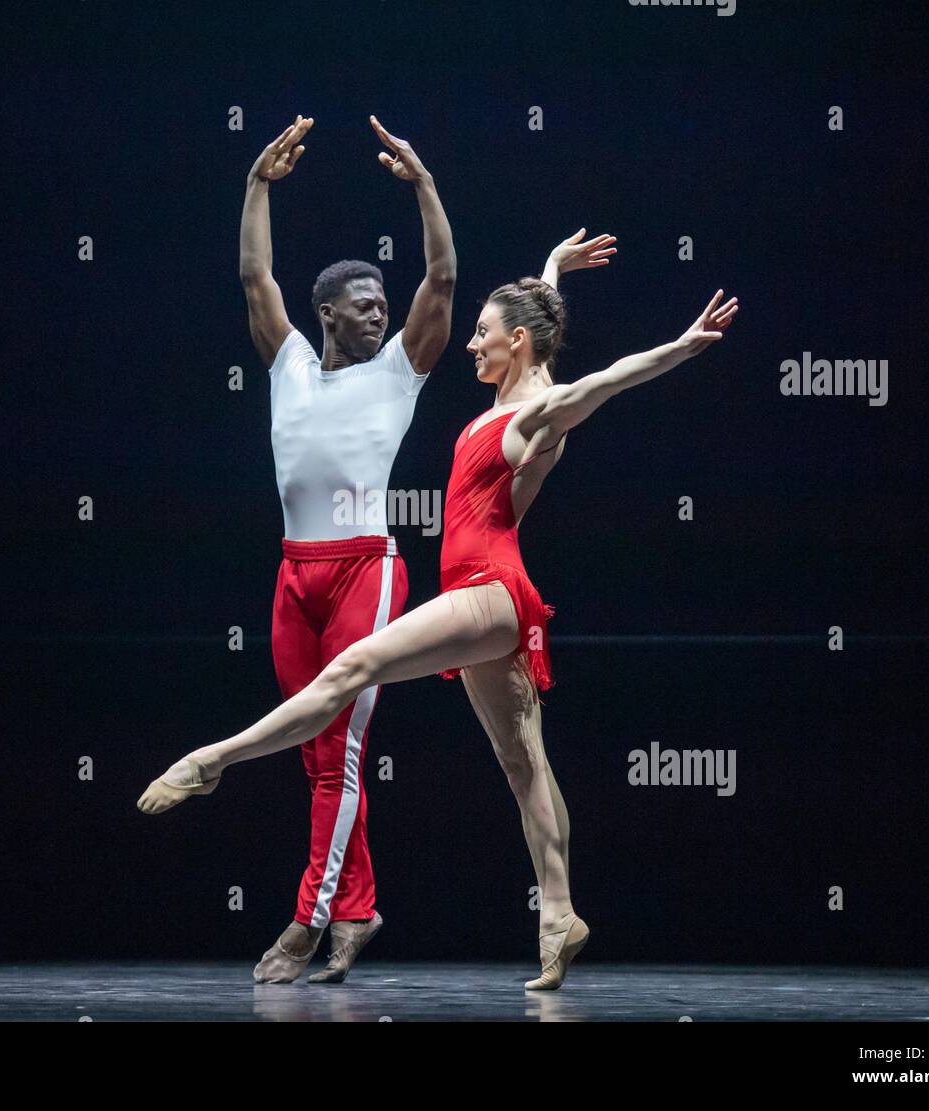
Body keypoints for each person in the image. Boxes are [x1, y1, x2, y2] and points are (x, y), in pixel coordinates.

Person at [141, 230, 738, 989]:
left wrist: (682, 346)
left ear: (514, 342)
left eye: (484, 334)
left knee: (351, 666)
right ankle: (559, 915)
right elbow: (544, 330)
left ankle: (211, 760)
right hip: (489, 595)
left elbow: (609, 381)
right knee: (524, 764)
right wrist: (554, 269)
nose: (471, 345)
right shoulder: (521, 390)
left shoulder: (535, 414)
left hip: (486, 589)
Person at [232, 114, 455, 984]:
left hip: (368, 566)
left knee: (341, 752)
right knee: (316, 751)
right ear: (327, 312)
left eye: (383, 307)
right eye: (364, 307)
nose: (379, 315)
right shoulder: (288, 359)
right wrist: (258, 186)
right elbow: (256, 273)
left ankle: (307, 919)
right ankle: (357, 907)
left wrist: (424, 186)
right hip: (295, 573)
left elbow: (441, 275)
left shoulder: (399, 369)